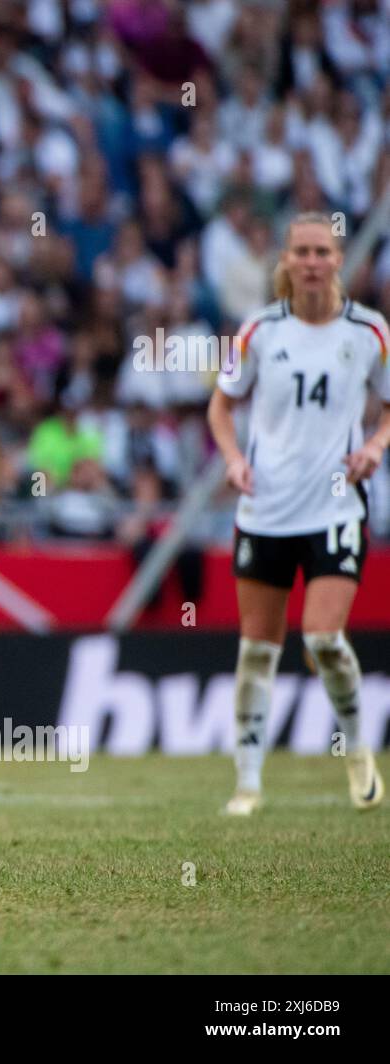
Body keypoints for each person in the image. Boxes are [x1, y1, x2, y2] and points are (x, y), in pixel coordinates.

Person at [207, 211, 389, 817]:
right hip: (266, 510)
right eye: (301, 252)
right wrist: (233, 461)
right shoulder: (258, 332)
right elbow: (220, 406)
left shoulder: (369, 331)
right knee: (257, 649)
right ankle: (248, 781)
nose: (312, 262)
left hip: (335, 506)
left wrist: (374, 447)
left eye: (322, 251)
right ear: (285, 262)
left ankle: (358, 751)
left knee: (323, 638)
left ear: (340, 260)